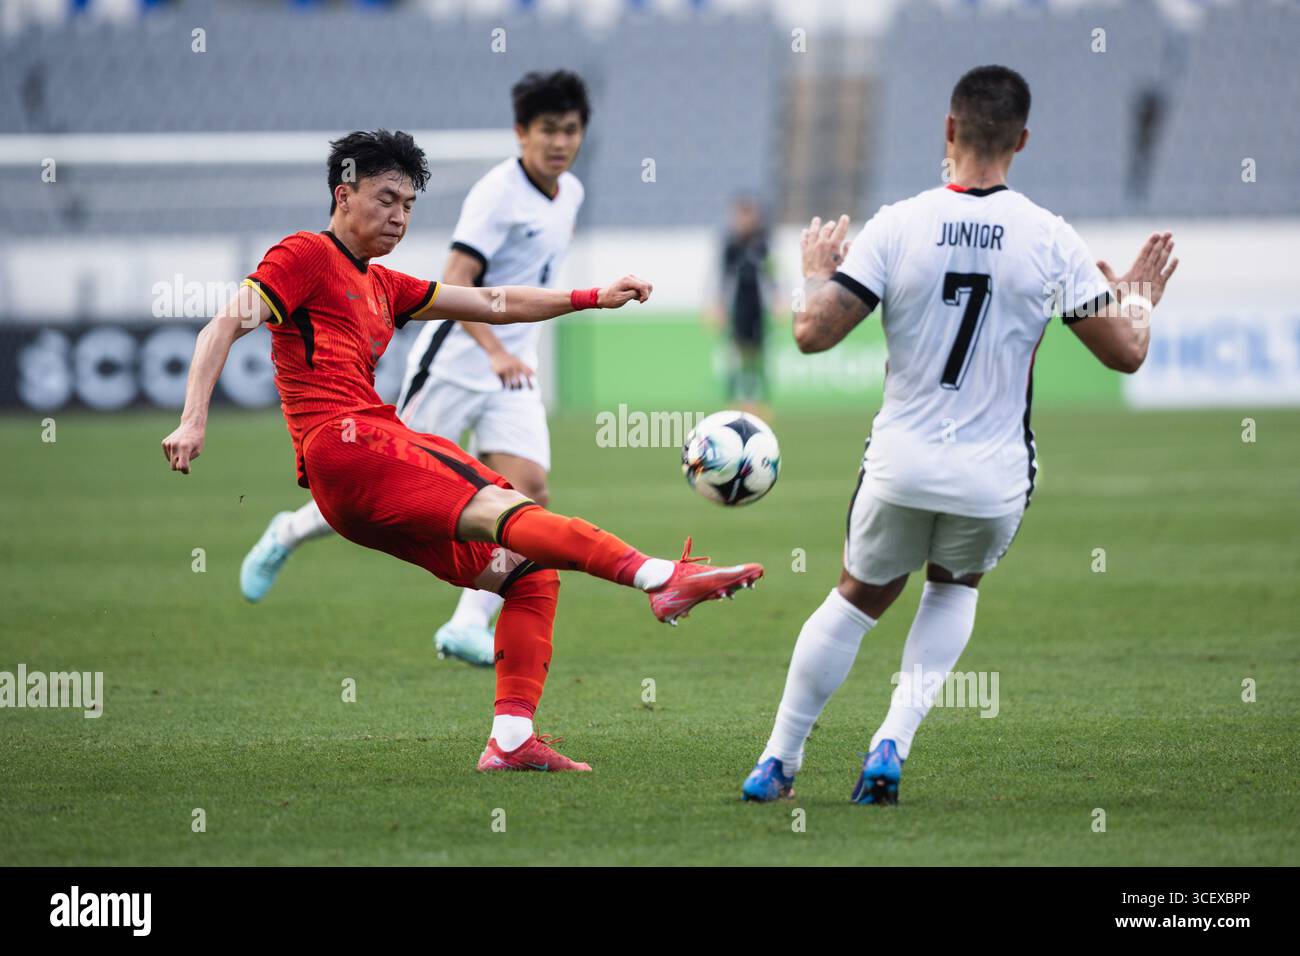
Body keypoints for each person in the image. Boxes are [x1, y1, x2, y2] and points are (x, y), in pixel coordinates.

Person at [163, 129, 763, 773]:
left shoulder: (384, 286)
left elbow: (494, 301)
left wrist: (591, 296)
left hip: (350, 491)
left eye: (410, 205)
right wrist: (193, 417)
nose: (399, 215)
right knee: (510, 502)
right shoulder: (306, 253)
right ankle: (659, 578)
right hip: (350, 443)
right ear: (343, 195)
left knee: (528, 572)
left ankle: (509, 740)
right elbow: (224, 321)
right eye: (386, 198)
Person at [741, 66, 1178, 804]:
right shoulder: (1050, 237)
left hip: (901, 464)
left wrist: (813, 274)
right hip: (993, 474)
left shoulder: (898, 223)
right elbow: (1125, 353)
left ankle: (777, 763)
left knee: (853, 600)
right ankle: (891, 743)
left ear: (949, 129)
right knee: (953, 589)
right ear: (1024, 140)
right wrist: (1136, 297)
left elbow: (812, 333)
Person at [238, 71, 590, 670]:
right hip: (457, 362)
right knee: (380, 487)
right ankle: (288, 531)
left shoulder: (573, 194)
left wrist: (522, 348)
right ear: (520, 133)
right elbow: (460, 281)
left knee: (528, 492)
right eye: (548, 131)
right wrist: (493, 350)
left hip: (514, 371)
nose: (560, 144)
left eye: (572, 131)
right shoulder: (497, 194)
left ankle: (465, 623)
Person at [709, 195, 776, 415]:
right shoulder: (731, 245)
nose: (744, 220)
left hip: (757, 307)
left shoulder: (762, 243)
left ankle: (762, 403)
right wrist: (718, 306)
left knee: (759, 356)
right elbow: (721, 278)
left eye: (748, 215)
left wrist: (778, 298)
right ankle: (731, 400)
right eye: (740, 215)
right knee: (735, 356)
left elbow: (772, 272)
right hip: (738, 308)